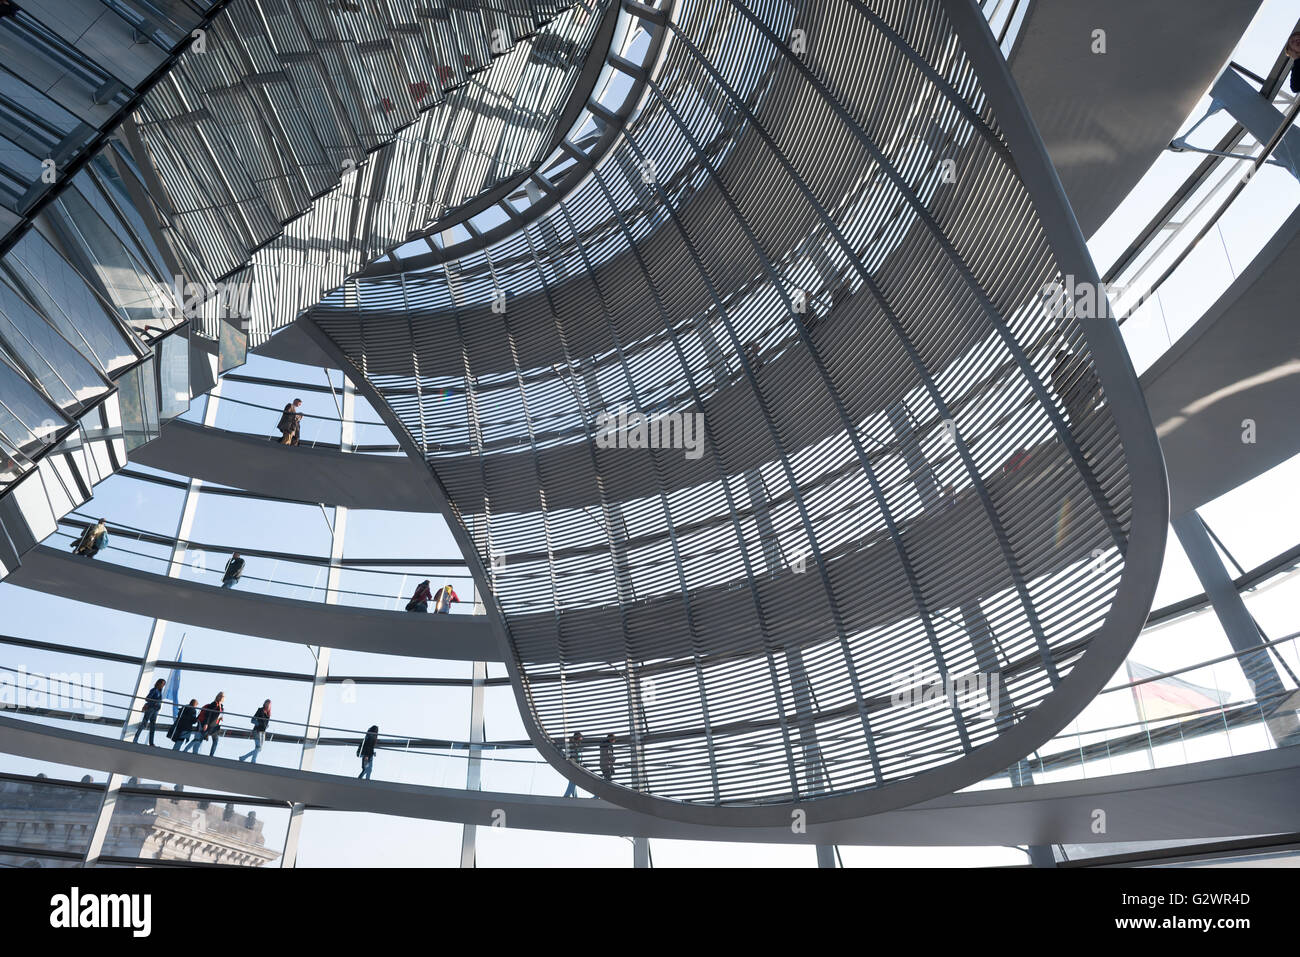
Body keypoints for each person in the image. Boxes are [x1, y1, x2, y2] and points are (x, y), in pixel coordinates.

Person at [1051, 349, 1100, 428]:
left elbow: (1057, 390)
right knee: (1085, 416)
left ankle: (1078, 427)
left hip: (1072, 400)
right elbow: (1093, 380)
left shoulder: (1055, 373)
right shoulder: (1080, 363)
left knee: (1076, 419)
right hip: (1084, 395)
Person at [133, 679, 166, 746]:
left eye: (164, 684)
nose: (163, 685)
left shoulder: (159, 692)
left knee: (153, 726)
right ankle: (135, 739)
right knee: (144, 724)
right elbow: (147, 698)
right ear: (158, 683)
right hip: (151, 709)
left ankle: (151, 743)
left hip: (155, 710)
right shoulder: (154, 690)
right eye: (162, 683)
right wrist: (154, 702)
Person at [198, 692, 225, 757]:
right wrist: (206, 724)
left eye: (223, 696)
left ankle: (211, 755)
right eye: (220, 696)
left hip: (215, 726)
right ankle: (189, 750)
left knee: (215, 740)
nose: (222, 697)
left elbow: (219, 715)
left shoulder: (221, 706)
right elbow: (208, 714)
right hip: (210, 725)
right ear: (217, 696)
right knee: (200, 738)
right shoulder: (214, 704)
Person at [563, 730, 584, 798]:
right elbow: (570, 755)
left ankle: (574, 796)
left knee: (573, 781)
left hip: (577, 765)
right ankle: (567, 795)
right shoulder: (572, 745)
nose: (581, 739)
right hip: (573, 765)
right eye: (581, 738)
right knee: (574, 780)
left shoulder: (577, 745)